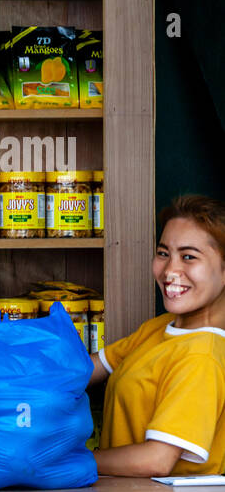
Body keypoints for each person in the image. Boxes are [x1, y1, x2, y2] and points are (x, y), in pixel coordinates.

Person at [90, 194, 225, 476]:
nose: (170, 271)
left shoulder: (202, 356)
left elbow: (156, 460)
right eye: (163, 253)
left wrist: (66, 461)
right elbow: (88, 370)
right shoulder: (162, 327)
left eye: (189, 257)